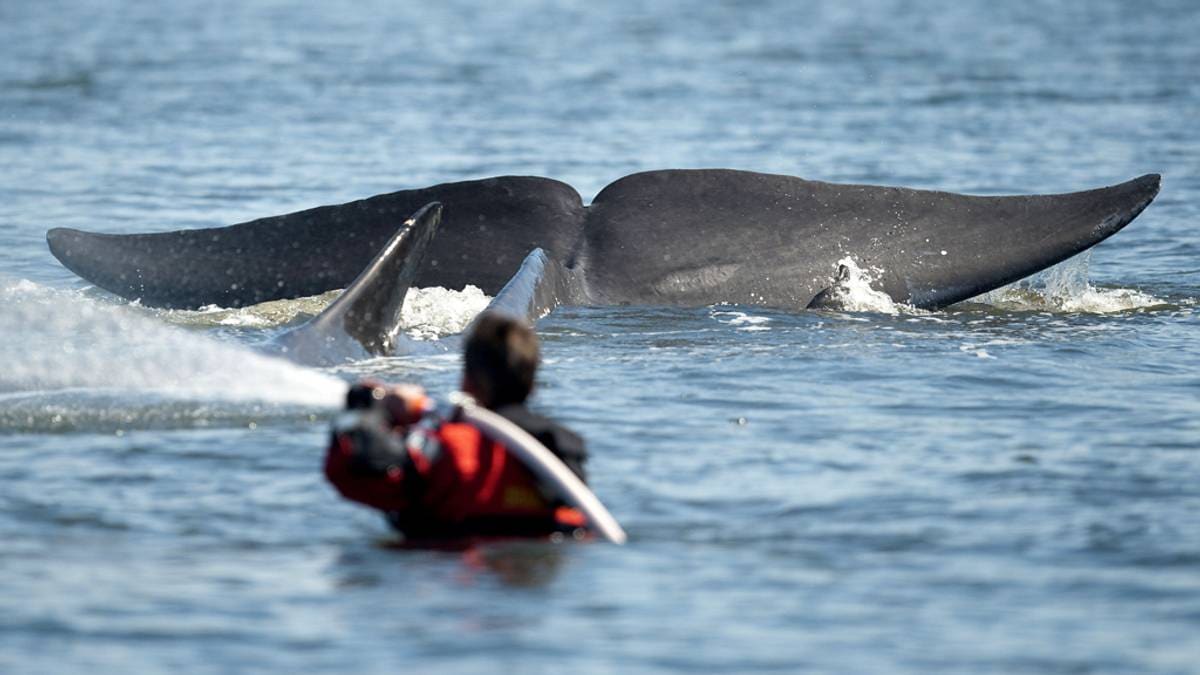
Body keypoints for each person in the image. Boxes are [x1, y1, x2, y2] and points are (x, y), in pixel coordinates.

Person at [324, 312, 589, 540]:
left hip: (455, 583)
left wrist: (372, 410)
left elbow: (349, 469)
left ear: (467, 381)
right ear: (531, 384)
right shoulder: (563, 454)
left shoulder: (447, 447)